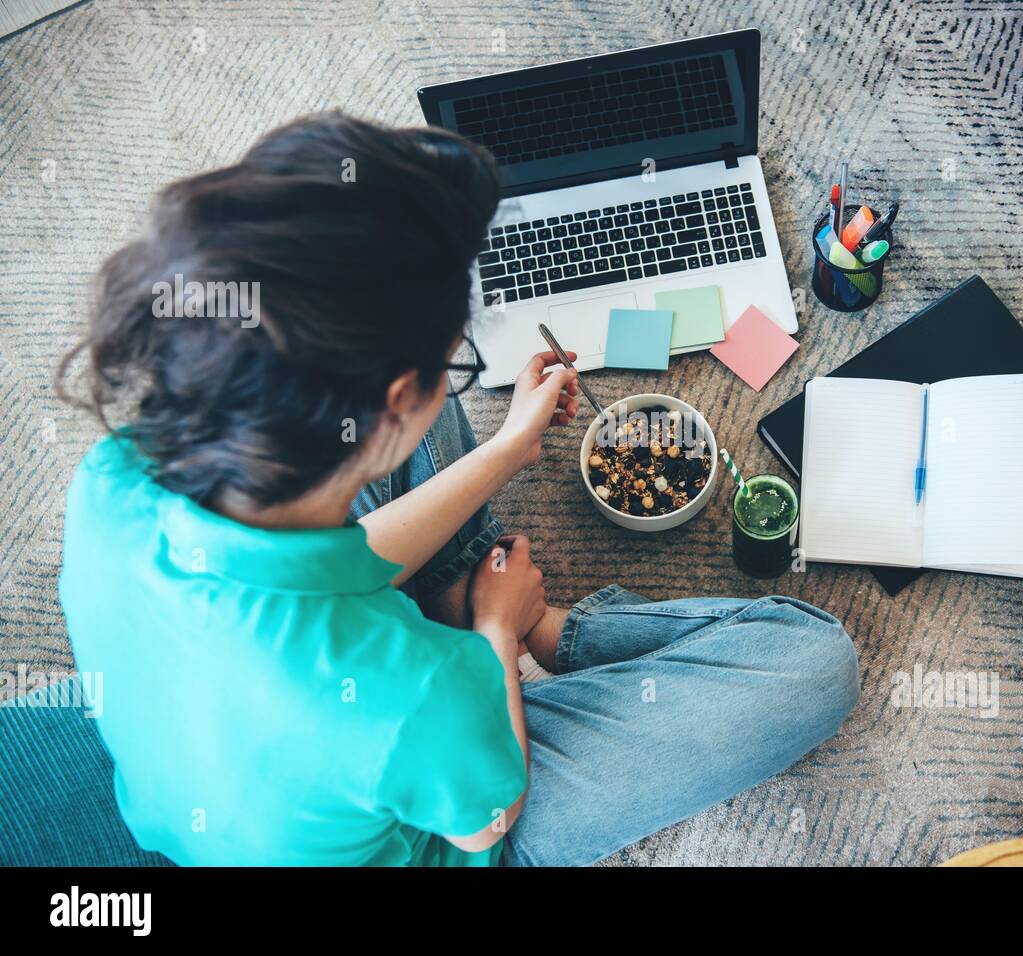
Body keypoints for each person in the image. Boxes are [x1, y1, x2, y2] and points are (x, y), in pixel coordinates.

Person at [56, 112, 859, 866]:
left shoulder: (111, 477)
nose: (453, 379)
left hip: (265, 746)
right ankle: (544, 627)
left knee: (409, 456)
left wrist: (512, 447)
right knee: (814, 660)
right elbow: (489, 813)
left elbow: (315, 569)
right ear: (397, 396)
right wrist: (498, 635)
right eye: (453, 362)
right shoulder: (415, 693)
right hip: (445, 801)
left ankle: (478, 598)